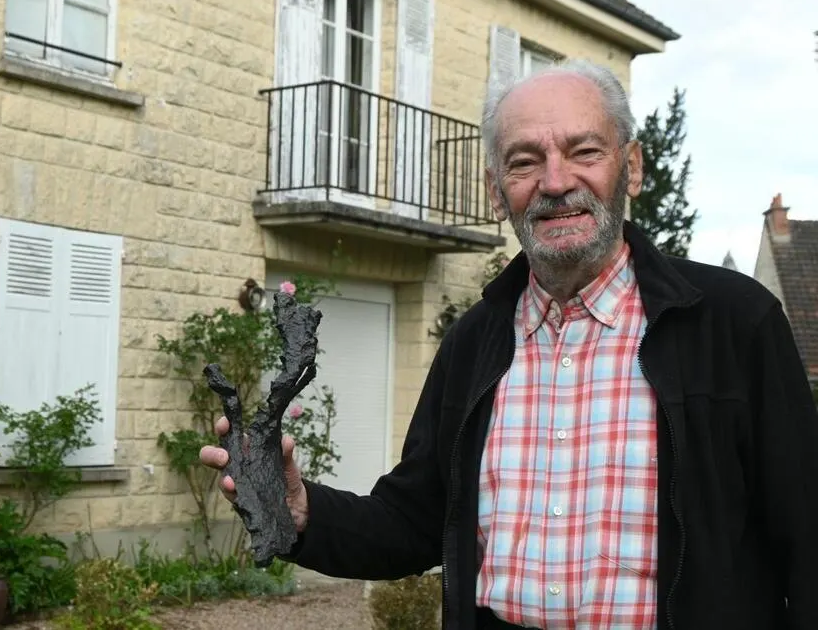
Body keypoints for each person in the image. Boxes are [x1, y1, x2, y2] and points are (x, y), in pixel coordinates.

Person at [199, 60, 818, 629]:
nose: (555, 181)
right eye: (524, 162)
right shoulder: (474, 342)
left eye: (584, 151)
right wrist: (304, 510)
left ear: (630, 167)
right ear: (497, 192)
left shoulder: (735, 324)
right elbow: (415, 521)